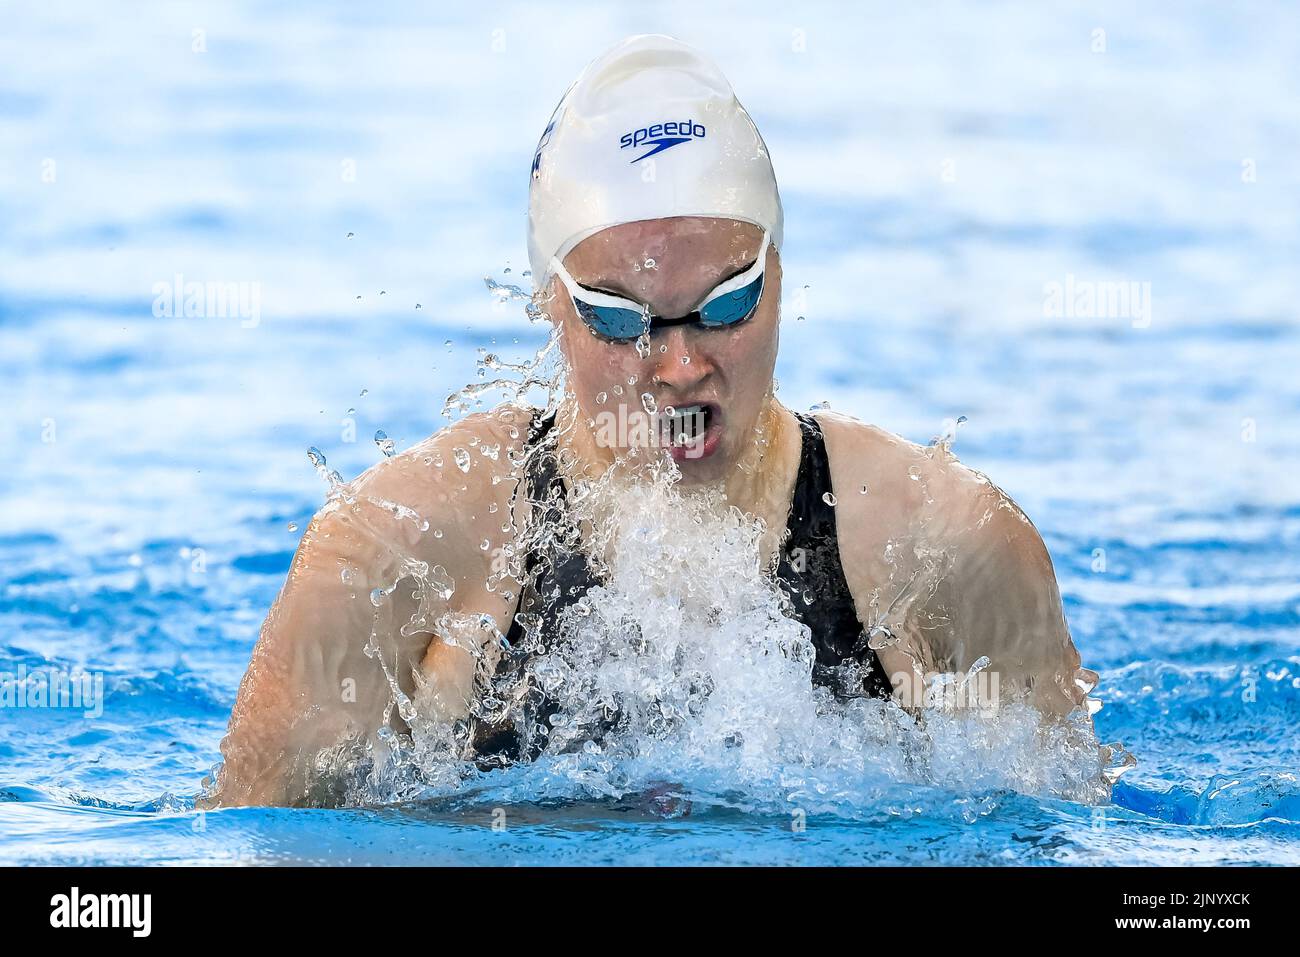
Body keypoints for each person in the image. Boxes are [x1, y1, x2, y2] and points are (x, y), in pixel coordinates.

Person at [206, 34, 1095, 808]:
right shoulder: (397, 550)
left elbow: (1080, 829)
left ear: (782, 276)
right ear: (549, 304)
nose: (679, 366)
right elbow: (247, 840)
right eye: (622, 320)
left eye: (728, 304)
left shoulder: (946, 546)